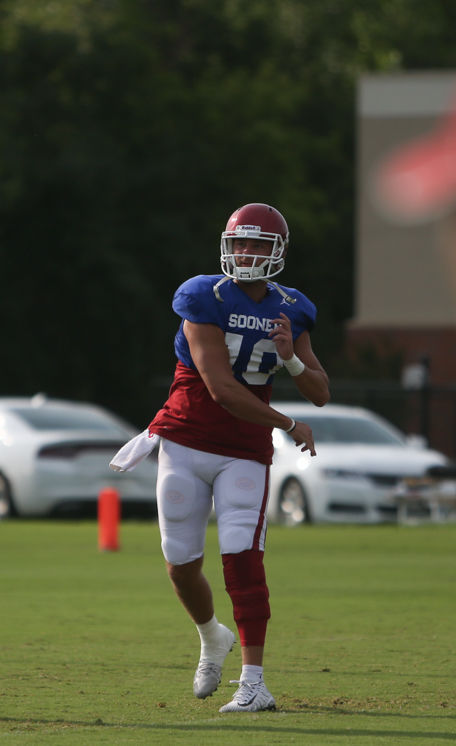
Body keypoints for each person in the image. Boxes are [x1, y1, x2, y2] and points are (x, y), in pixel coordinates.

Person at [110, 203, 330, 712]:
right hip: (187, 438)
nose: (246, 252)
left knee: (243, 559)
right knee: (180, 563)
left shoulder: (293, 307)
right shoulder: (202, 296)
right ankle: (212, 635)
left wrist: (291, 355)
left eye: (257, 244)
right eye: (240, 243)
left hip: (244, 451)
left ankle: (254, 683)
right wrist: (288, 424)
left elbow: (319, 390)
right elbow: (221, 387)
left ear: (277, 251)